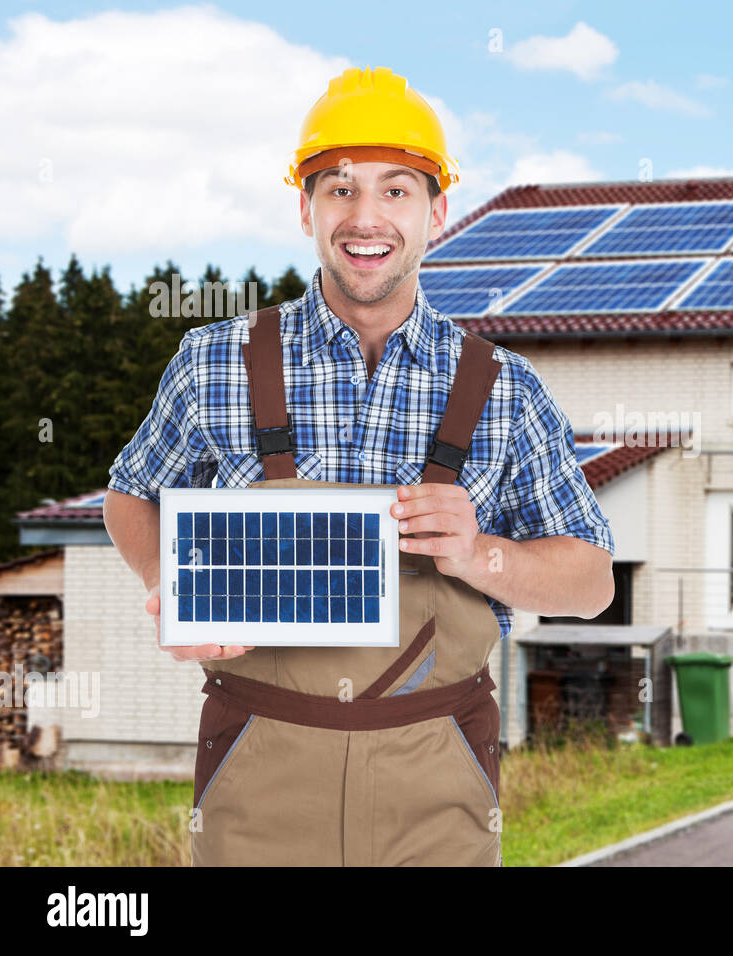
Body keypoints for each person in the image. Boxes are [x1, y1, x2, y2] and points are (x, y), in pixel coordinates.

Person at [102, 65, 615, 866]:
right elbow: (131, 495)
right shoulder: (214, 361)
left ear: (437, 209)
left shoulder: (504, 388)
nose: (365, 216)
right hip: (257, 772)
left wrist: (480, 553)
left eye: (396, 190)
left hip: (438, 782)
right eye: (339, 189)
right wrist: (168, 581)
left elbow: (591, 580)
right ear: (304, 206)